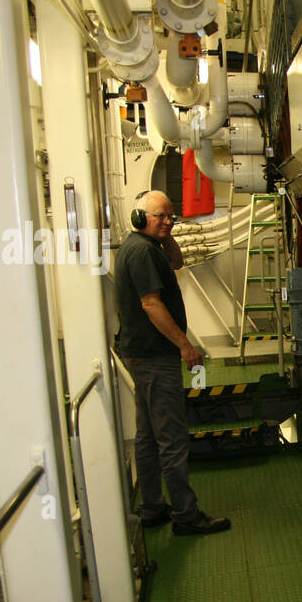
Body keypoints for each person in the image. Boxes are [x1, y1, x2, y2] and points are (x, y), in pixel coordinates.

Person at [115, 190, 231, 536]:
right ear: (138, 218)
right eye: (159, 216)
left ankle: (152, 507)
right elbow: (151, 305)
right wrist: (184, 345)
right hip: (155, 357)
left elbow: (178, 263)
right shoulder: (141, 253)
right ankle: (185, 514)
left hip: (144, 355)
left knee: (149, 438)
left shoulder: (146, 247)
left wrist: (167, 234)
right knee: (171, 439)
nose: (167, 222)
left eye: (171, 217)